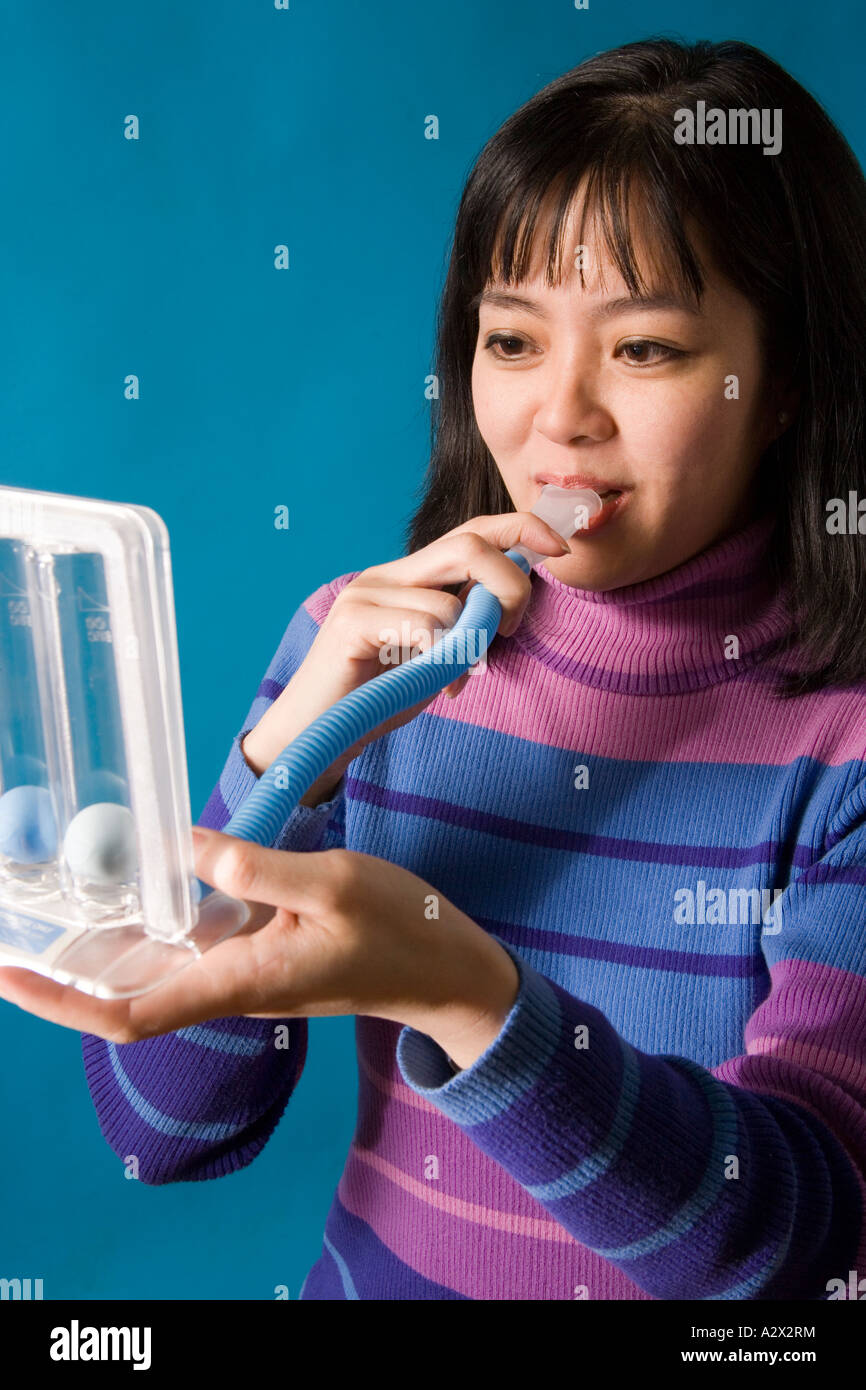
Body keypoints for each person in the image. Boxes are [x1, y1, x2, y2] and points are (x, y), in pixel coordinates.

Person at [3, 35, 866, 1301]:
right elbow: (162, 1132)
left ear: (781, 380)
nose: (556, 416)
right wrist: (279, 762)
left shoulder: (839, 744)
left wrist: (463, 993)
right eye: (511, 340)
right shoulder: (356, 646)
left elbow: (787, 1243)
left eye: (643, 350)